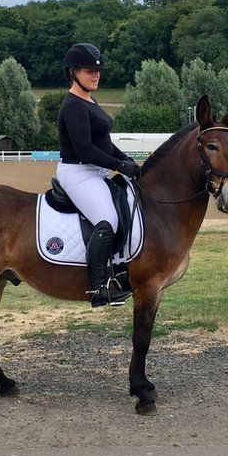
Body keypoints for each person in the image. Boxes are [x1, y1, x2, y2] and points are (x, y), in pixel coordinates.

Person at [56, 42, 142, 308]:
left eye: (98, 71)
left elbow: (103, 141)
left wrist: (126, 161)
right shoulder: (73, 106)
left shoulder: (90, 101)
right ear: (73, 72)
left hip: (96, 170)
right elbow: (85, 149)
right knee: (107, 220)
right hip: (78, 172)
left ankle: (121, 271)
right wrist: (118, 164)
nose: (95, 75)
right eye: (88, 71)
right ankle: (96, 289)